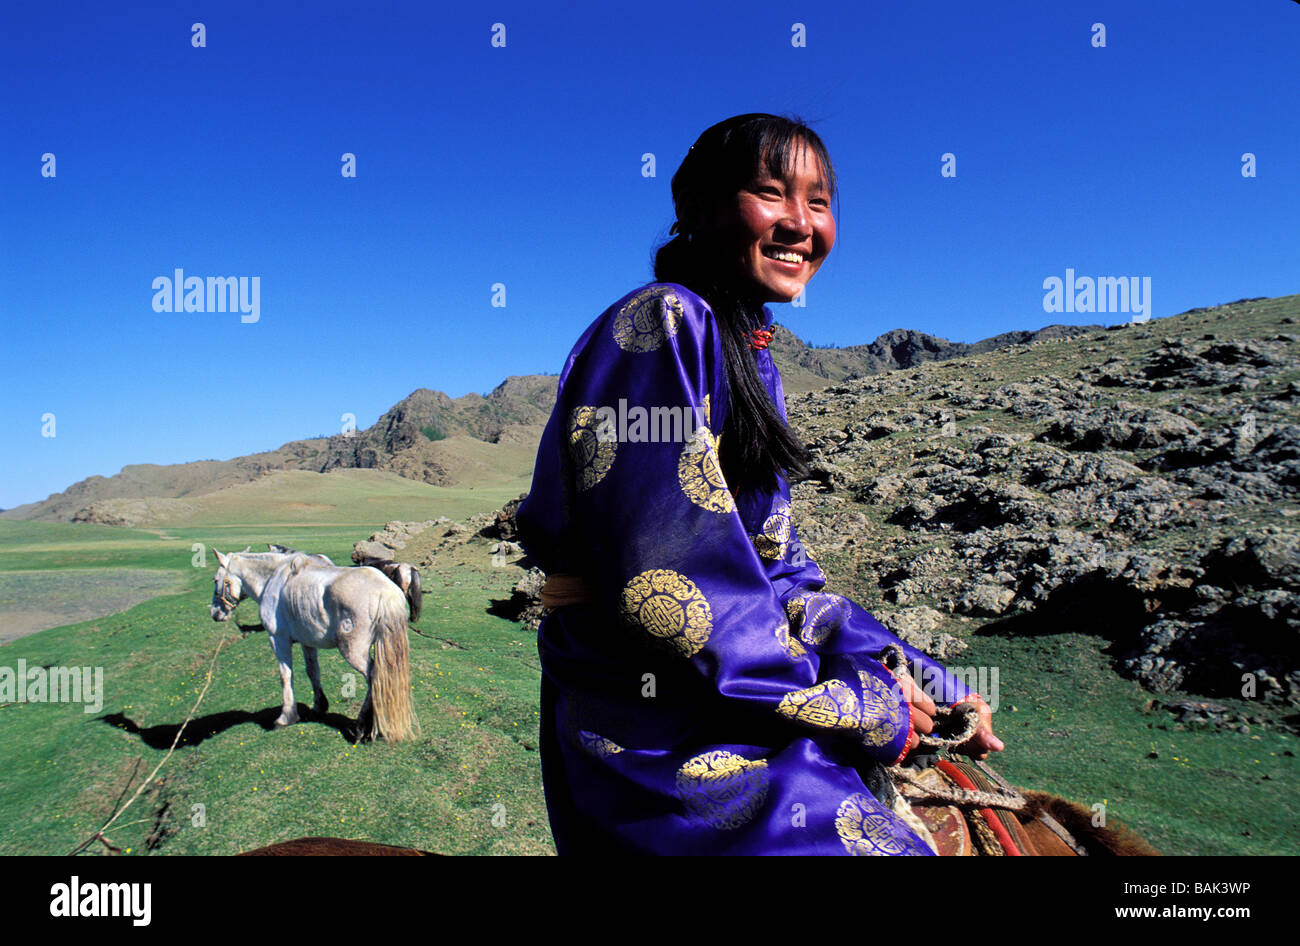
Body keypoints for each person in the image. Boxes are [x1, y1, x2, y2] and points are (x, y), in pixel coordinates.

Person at [515, 113, 1002, 855]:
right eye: (772, 193)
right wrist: (865, 706)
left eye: (820, 201)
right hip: (652, 714)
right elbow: (672, 593)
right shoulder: (663, 324)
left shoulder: (750, 360)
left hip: (722, 688)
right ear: (695, 207)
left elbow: (781, 571)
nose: (801, 224)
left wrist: (922, 676)